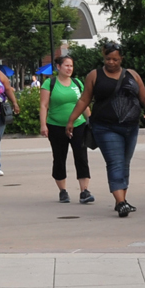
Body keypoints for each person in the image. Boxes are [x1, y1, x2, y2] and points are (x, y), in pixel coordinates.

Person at [69, 40, 145, 218]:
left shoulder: (132, 75)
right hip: (105, 127)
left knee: (125, 163)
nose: (111, 62)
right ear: (103, 57)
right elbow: (84, 100)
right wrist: (72, 120)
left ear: (121, 59)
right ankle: (120, 202)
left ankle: (122, 201)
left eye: (115, 59)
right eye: (108, 59)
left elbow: (144, 97)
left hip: (130, 127)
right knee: (115, 162)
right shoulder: (94, 76)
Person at [40, 56, 94, 205]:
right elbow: (44, 105)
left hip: (78, 125)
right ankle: (63, 191)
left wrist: (91, 121)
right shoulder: (49, 83)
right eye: (66, 65)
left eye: (71, 66)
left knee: (81, 156)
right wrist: (43, 124)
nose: (69, 68)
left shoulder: (77, 83)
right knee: (59, 157)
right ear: (58, 67)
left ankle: (84, 191)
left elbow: (84, 104)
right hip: (56, 126)